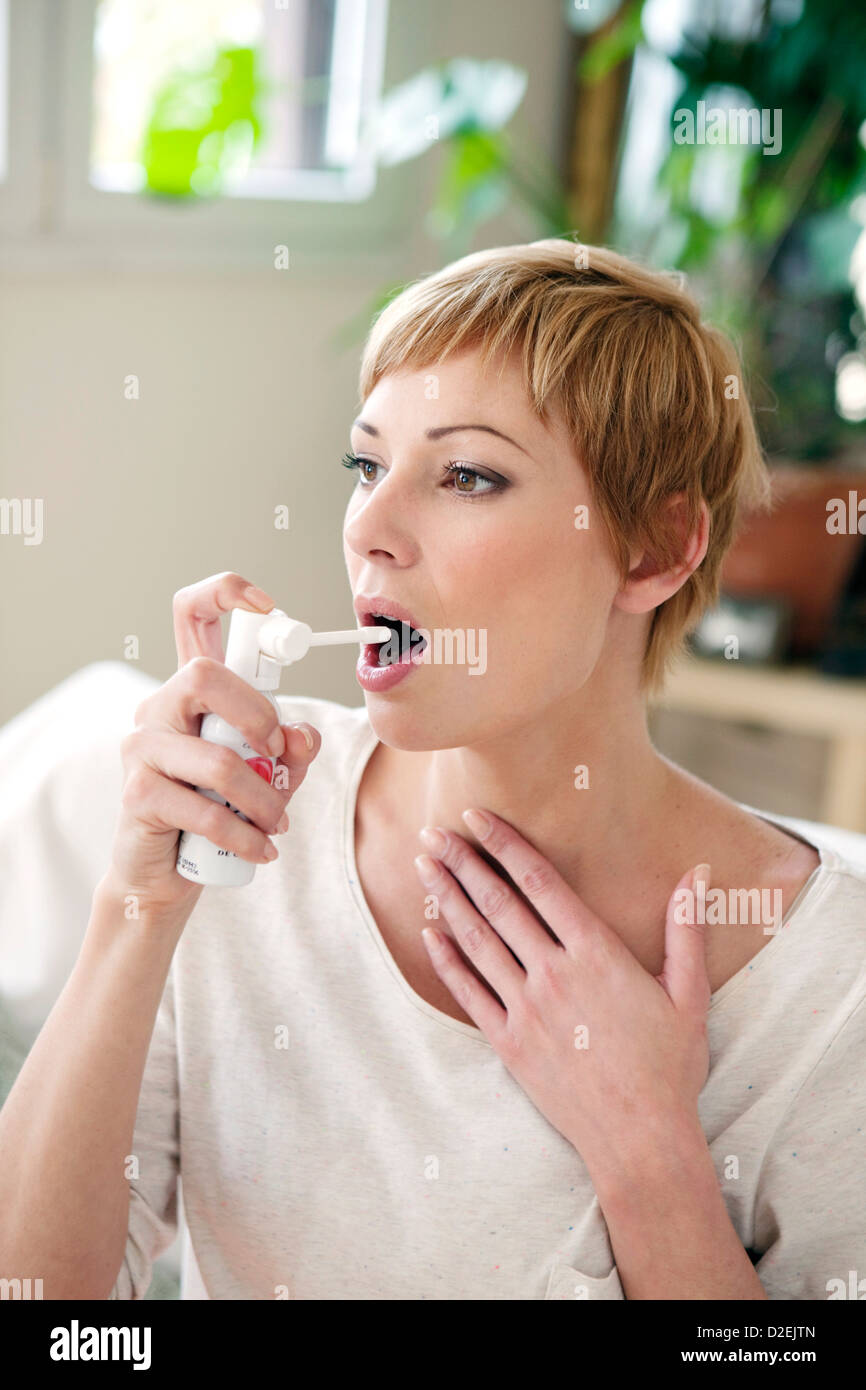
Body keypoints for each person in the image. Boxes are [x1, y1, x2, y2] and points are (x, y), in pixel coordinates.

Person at [1, 239, 864, 1300]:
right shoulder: (240, 822)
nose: (369, 525)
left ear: (652, 549)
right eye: (366, 466)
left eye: (466, 475)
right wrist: (136, 907)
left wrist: (648, 1153)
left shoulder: (831, 987)